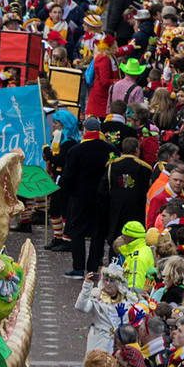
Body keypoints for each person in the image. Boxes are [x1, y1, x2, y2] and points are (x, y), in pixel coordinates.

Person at [60, 116, 114, 277]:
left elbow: (67, 177)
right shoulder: (110, 150)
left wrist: (70, 192)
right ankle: (92, 269)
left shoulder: (76, 150)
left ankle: (78, 268)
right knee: (97, 234)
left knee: (77, 232)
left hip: (80, 197)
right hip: (101, 199)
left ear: (85, 131)